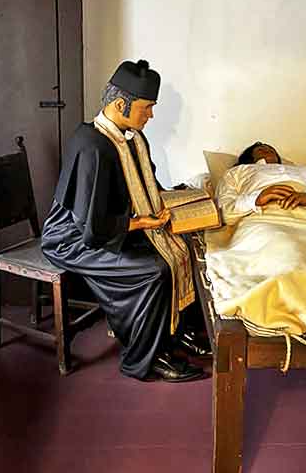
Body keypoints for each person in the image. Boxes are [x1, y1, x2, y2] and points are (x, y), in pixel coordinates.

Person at [41, 59, 206, 382]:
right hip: (71, 239)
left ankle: (173, 334)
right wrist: (143, 224)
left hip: (108, 226)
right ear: (121, 104)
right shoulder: (92, 145)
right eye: (147, 107)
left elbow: (146, 189)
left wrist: (181, 201)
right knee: (154, 270)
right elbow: (92, 228)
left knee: (181, 247)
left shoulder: (132, 137)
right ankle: (144, 356)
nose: (151, 115)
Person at [217, 142, 306, 223]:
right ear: (249, 157)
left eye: (271, 148)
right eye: (261, 149)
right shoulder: (237, 172)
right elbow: (224, 211)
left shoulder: (304, 171)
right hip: (264, 219)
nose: (267, 149)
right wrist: (256, 199)